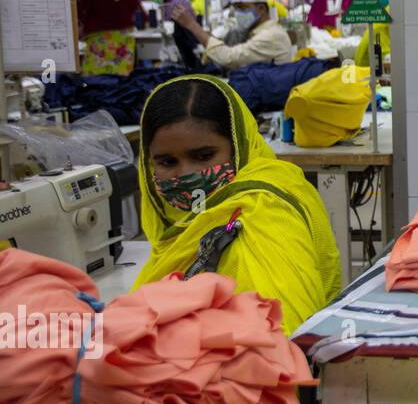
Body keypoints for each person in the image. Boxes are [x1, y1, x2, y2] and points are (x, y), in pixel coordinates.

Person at [132, 75, 341, 335]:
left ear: (238, 146)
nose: (186, 173)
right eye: (166, 162)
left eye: (203, 156)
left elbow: (276, 343)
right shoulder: (183, 231)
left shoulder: (262, 213)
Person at [171, 0, 295, 69]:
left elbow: (228, 57)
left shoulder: (270, 36)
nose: (238, 13)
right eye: (235, 8)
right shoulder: (253, 32)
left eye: (242, 8)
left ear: (261, 9)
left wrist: (192, 25)